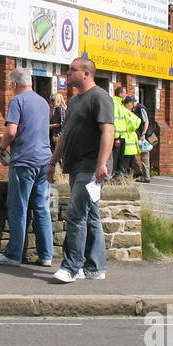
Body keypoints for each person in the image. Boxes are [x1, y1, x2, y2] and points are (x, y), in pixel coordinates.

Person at [46, 57, 114, 283]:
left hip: (91, 167)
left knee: (75, 215)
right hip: (76, 167)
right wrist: (53, 162)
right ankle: (95, 267)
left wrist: (102, 164)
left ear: (86, 73)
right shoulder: (74, 101)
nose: (68, 73)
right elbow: (65, 136)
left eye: (73, 70)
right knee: (91, 216)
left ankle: (71, 267)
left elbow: (108, 131)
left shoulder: (100, 97)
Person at [0, 68, 53, 268]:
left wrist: (2, 148)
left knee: (18, 208)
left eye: (11, 85)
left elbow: (12, 131)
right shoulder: (43, 102)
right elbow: (32, 129)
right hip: (44, 161)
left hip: (24, 162)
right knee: (42, 209)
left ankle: (13, 255)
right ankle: (46, 255)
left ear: (15, 84)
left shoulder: (17, 101)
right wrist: (7, 137)